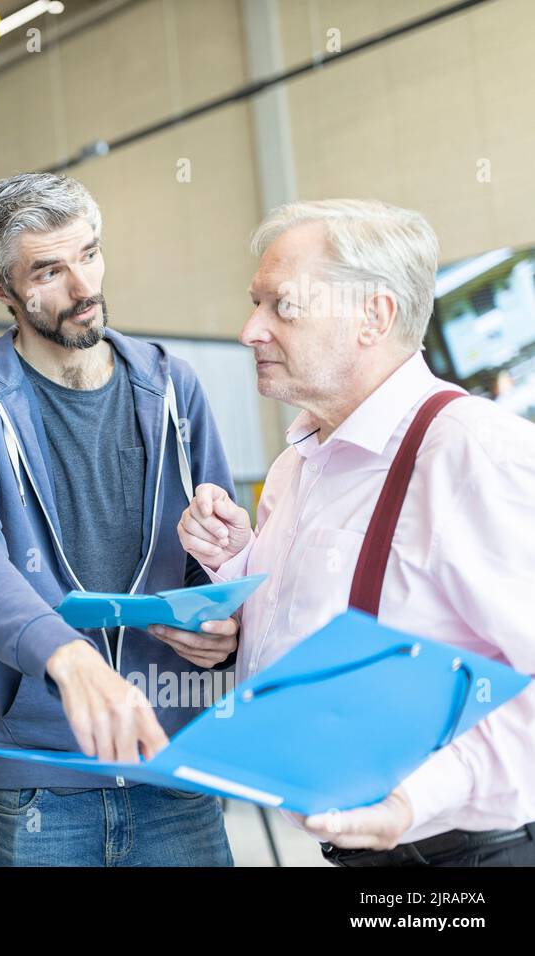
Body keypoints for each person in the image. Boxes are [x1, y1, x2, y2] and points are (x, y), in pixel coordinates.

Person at [178, 198, 535, 867]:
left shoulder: (476, 456)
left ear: (374, 316)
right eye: (255, 302)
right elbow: (314, 619)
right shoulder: (298, 466)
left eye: (282, 306)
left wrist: (411, 801)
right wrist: (234, 568)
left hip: (463, 854)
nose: (249, 329)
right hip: (360, 853)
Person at [0, 172, 238, 866]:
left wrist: (216, 621)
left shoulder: (171, 384)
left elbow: (214, 553)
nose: (83, 286)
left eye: (90, 255)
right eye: (50, 270)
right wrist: (65, 658)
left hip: (173, 758)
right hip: (38, 775)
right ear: (1, 289)